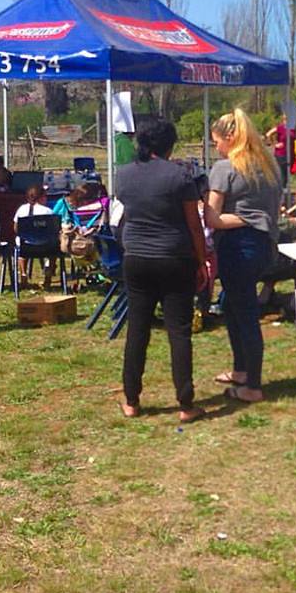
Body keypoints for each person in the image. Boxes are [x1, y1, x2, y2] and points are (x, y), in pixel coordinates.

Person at [114, 118, 207, 424]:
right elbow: (194, 225)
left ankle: (131, 400)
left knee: (137, 329)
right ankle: (185, 403)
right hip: (174, 257)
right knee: (179, 332)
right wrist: (202, 260)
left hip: (136, 257)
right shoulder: (180, 176)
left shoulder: (124, 175)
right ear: (169, 145)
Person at [206, 108, 282, 403]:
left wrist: (243, 219)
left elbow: (212, 218)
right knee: (232, 305)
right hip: (263, 246)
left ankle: (253, 385)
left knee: (245, 313)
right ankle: (241, 370)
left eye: (217, 142)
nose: (216, 148)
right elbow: (270, 211)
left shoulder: (224, 169)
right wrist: (255, 218)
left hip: (237, 247)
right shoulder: (269, 165)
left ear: (229, 138)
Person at [13, 185, 57, 287]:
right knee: (55, 246)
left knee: (21, 244)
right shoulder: (48, 211)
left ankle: (23, 273)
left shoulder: (21, 209)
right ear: (41, 198)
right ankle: (48, 275)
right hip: (46, 247)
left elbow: (16, 228)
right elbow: (54, 230)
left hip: (25, 247)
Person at [265, 112, 296, 187]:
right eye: (286, 119)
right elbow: (268, 134)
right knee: (282, 174)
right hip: (281, 154)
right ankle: (281, 189)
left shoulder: (293, 129)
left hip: (291, 154)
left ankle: (284, 188)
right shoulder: (280, 128)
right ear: (283, 120)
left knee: (287, 174)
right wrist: (274, 144)